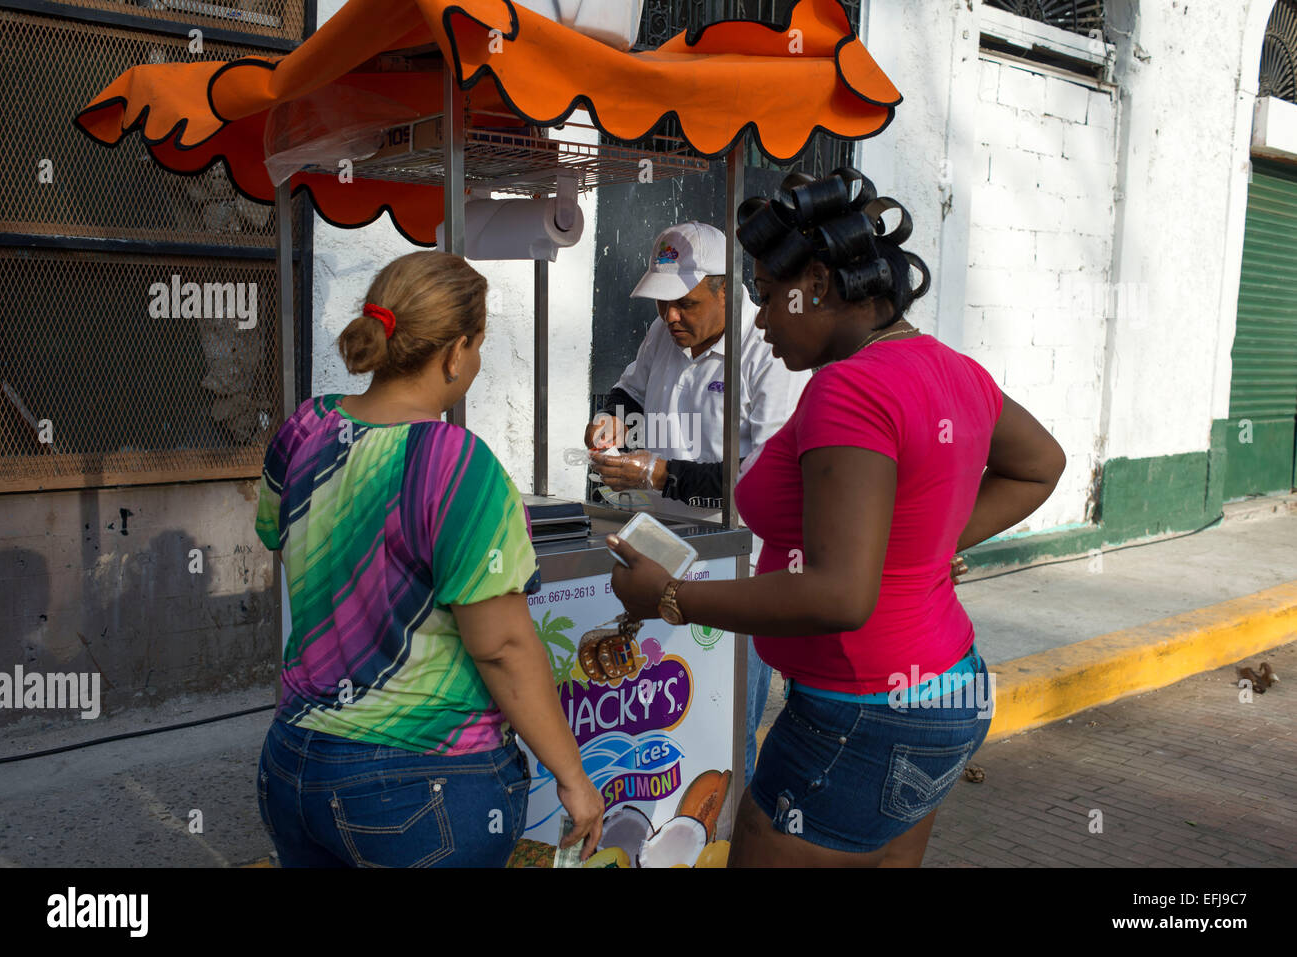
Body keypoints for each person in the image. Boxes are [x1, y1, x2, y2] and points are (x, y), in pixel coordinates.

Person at [606, 168, 1066, 867]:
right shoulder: (952, 368)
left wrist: (668, 598)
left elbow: (837, 595)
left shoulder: (848, 388)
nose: (759, 318)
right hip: (948, 687)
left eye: (766, 297)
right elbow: (1040, 464)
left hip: (861, 713)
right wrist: (925, 547)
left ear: (816, 283)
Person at [254, 251, 603, 867]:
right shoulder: (457, 462)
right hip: (421, 782)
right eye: (479, 344)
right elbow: (501, 646)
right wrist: (572, 776)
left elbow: (288, 552)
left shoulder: (305, 428)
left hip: (294, 760)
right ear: (455, 351)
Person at [582, 221, 811, 789]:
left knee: (726, 717)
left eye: (686, 304)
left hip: (739, 560)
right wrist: (611, 419)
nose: (671, 318)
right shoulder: (663, 334)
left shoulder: (769, 357)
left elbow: (761, 478)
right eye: (662, 306)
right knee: (664, 700)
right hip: (660, 542)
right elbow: (629, 388)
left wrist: (660, 472)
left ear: (726, 290)